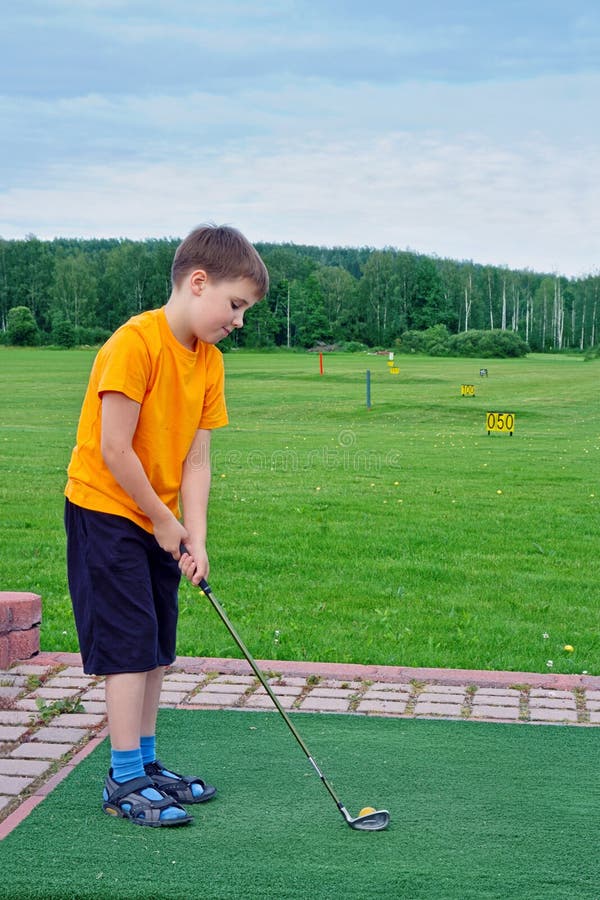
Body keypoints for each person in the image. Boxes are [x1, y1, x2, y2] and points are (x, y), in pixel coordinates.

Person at [64, 224, 269, 827]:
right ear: (197, 282)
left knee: (155, 643)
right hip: (106, 508)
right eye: (235, 305)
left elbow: (196, 458)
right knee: (127, 644)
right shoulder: (136, 343)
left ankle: (146, 763)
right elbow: (114, 449)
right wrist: (161, 520)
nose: (239, 321)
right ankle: (122, 778)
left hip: (160, 517)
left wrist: (194, 535)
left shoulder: (209, 363)